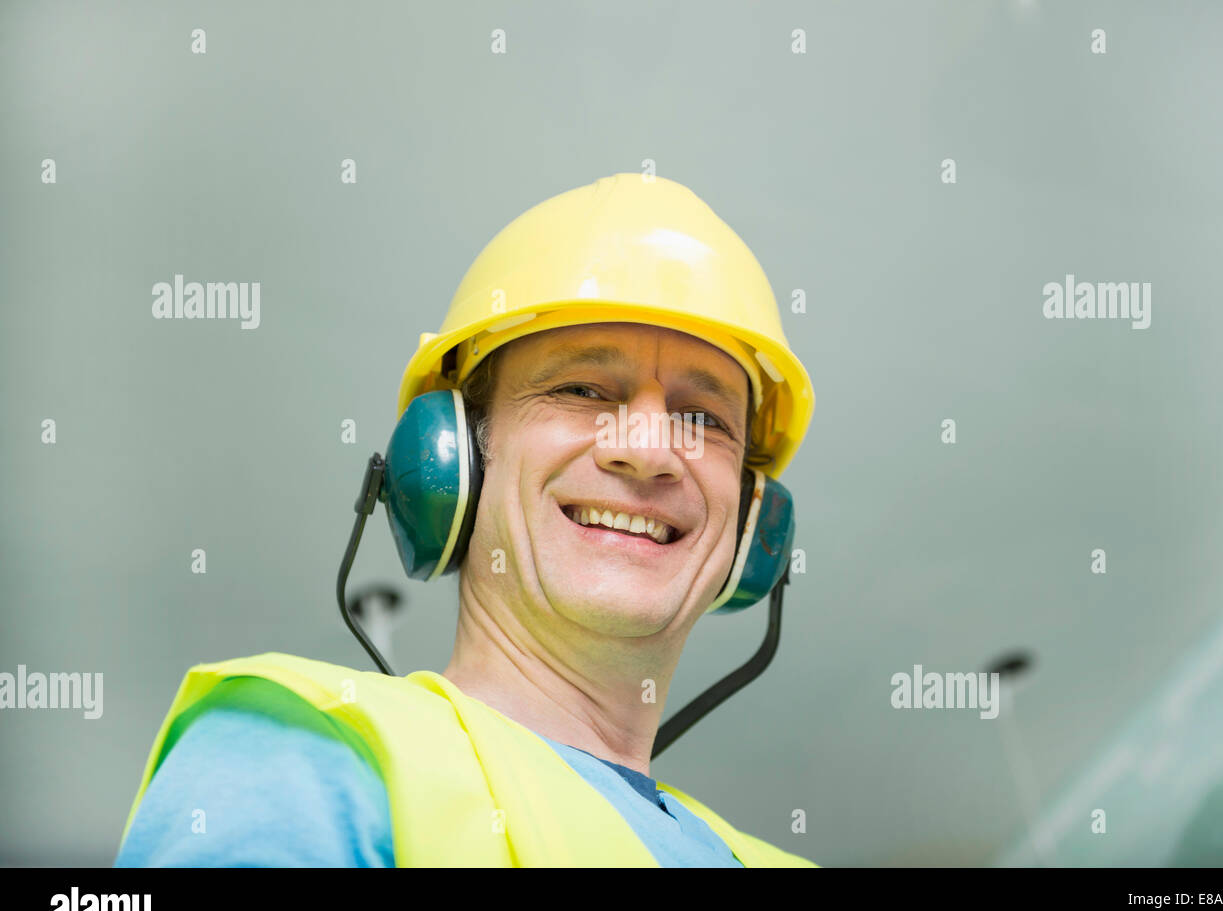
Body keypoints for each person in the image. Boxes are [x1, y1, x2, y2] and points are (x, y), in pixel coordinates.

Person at [115, 173, 817, 867]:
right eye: (582, 389)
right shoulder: (301, 754)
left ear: (755, 521)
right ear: (450, 461)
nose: (648, 451)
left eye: (706, 418)